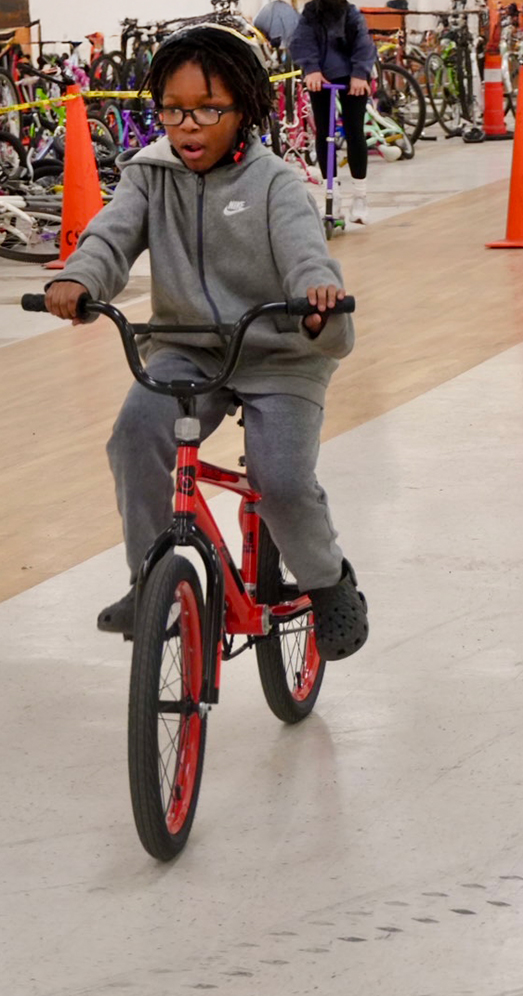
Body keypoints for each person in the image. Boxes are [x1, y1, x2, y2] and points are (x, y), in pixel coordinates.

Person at [44, 24, 368, 661]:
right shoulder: (149, 175)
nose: (188, 127)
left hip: (278, 352)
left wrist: (315, 302)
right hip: (187, 347)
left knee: (278, 480)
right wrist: (80, 276)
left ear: (242, 108)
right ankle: (150, 580)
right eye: (173, 110)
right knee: (134, 434)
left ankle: (329, 581)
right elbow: (111, 236)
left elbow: (307, 257)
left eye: (208, 110)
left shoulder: (275, 183)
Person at [288, 0, 378, 224]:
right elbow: (302, 40)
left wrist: (359, 73)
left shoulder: (351, 13)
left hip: (352, 76)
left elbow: (363, 43)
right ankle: (333, 194)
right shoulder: (311, 12)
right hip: (321, 77)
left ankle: (360, 197)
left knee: (354, 131)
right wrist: (311, 69)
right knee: (324, 133)